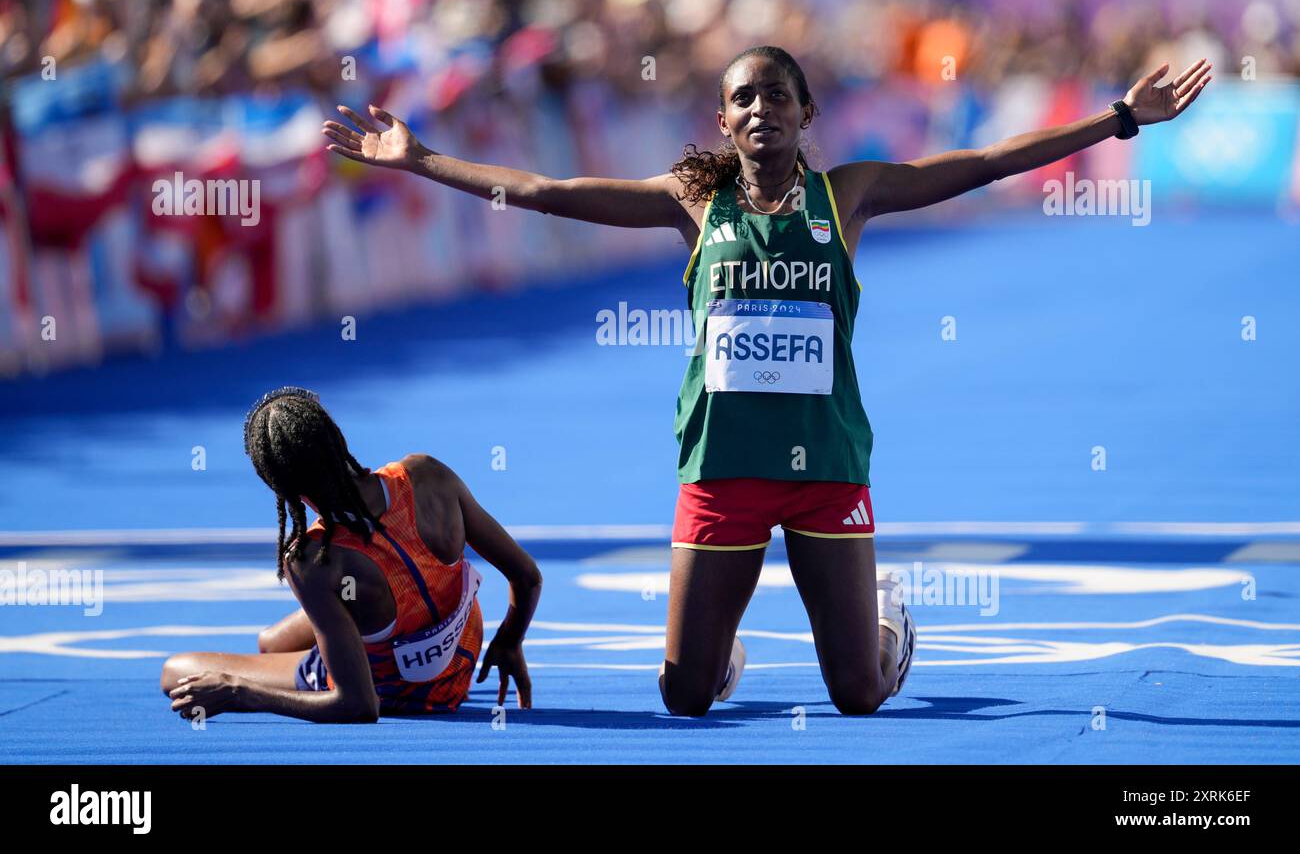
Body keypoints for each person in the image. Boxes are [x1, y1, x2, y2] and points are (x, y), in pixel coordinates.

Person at [321, 45, 1211, 716]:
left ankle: (885, 613)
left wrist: (1119, 120)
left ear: (805, 113)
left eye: (776, 95)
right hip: (722, 475)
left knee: (857, 697)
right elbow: (547, 190)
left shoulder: (849, 195)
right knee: (686, 699)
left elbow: (985, 164)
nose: (760, 110)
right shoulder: (691, 203)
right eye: (743, 98)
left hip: (826, 472)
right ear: (724, 121)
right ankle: (721, 647)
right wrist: (420, 158)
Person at [162, 386, 542, 721]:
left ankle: (343, 630)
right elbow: (527, 577)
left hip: (404, 694)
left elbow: (358, 705)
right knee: (270, 643)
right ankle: (351, 620)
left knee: (174, 670)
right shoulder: (427, 474)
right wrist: (509, 642)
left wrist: (240, 692)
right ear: (336, 438)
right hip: (461, 661)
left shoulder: (313, 561)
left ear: (280, 486)